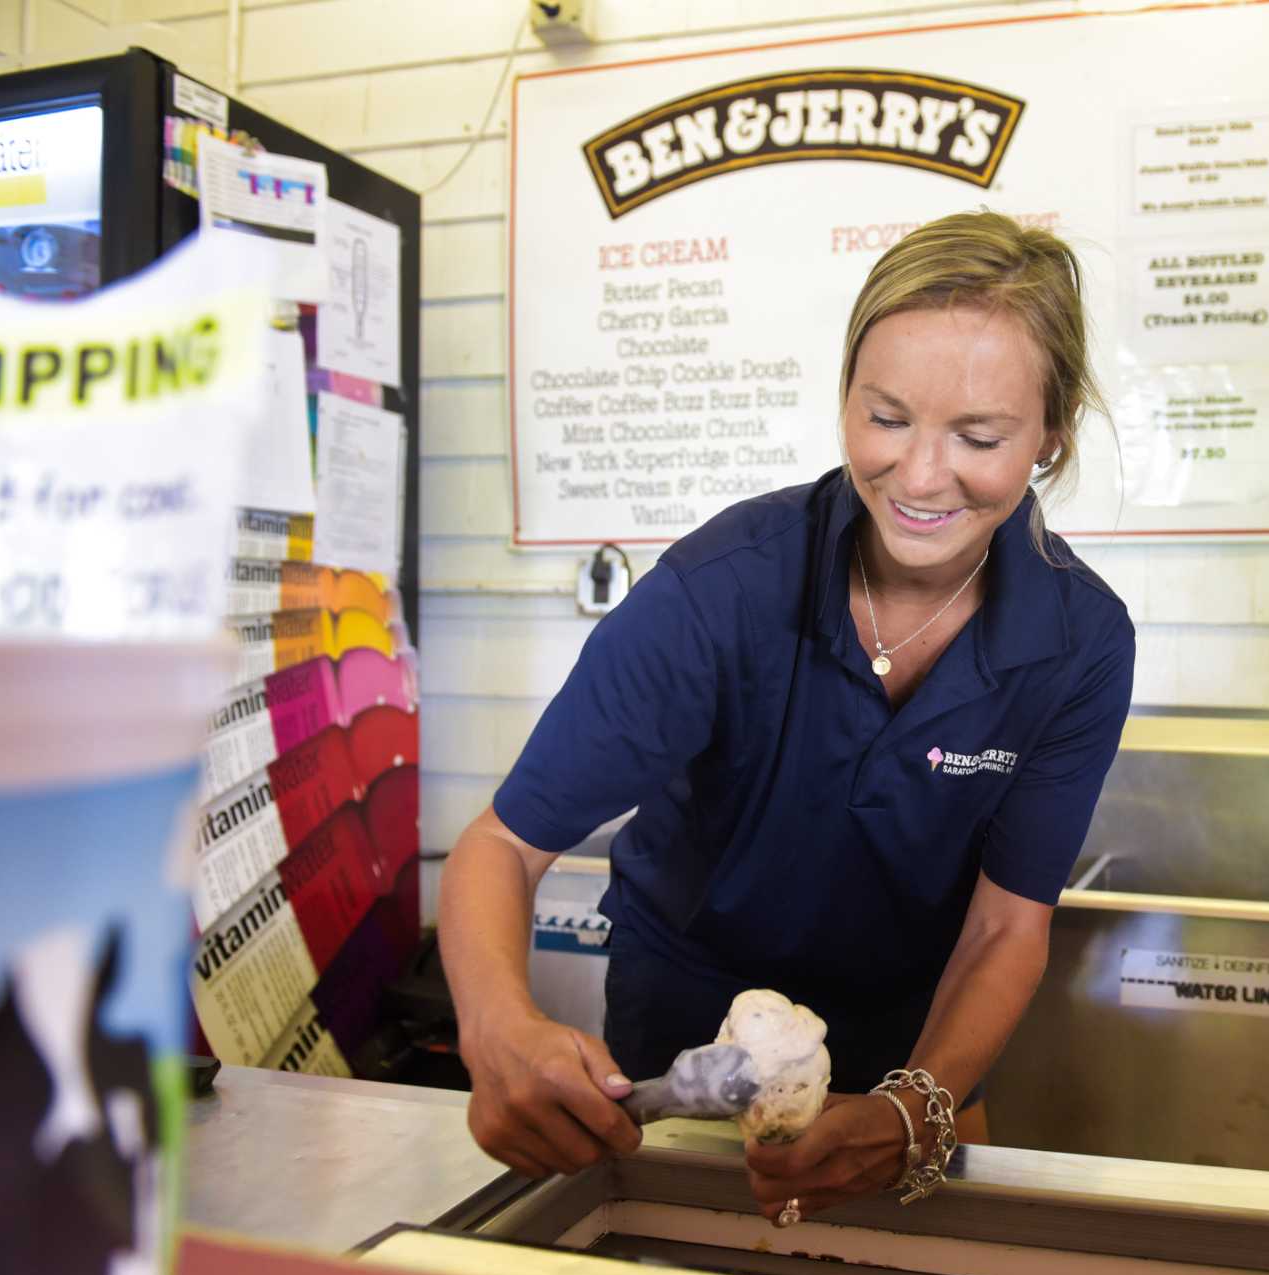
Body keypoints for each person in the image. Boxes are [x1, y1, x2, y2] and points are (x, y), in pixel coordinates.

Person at [438, 209, 1135, 1224]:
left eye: (978, 436)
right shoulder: (722, 591)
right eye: (885, 417)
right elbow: (501, 844)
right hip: (685, 1013)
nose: (921, 475)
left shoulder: (1076, 640)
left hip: (918, 1030)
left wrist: (915, 1103)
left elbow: (1005, 923)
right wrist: (498, 1025)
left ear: (1050, 434)